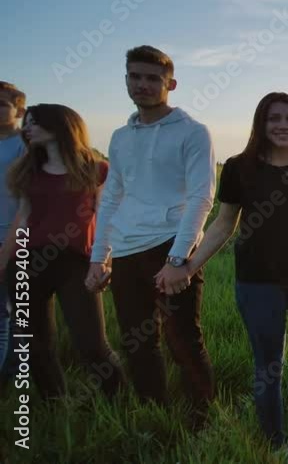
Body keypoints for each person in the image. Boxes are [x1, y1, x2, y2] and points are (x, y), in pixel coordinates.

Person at [165, 92, 288, 448]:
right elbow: (223, 224)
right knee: (269, 368)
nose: (283, 125)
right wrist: (188, 265)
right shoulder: (239, 167)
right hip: (256, 284)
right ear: (261, 123)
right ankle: (276, 445)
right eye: (274, 118)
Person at [84, 45, 216, 425]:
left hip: (169, 245)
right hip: (125, 250)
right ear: (126, 79)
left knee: (184, 342)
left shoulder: (193, 132)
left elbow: (201, 197)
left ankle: (200, 421)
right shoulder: (121, 136)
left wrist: (179, 259)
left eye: (152, 78)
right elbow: (111, 198)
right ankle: (153, 414)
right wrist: (99, 256)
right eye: (135, 76)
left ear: (170, 84)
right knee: (137, 342)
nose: (142, 85)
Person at [0, 104, 124, 399]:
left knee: (92, 344)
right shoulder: (27, 171)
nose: (26, 128)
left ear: (60, 126)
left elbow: (108, 220)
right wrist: (4, 261)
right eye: (26, 122)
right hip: (28, 263)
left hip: (77, 263)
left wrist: (104, 262)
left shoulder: (96, 169)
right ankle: (55, 404)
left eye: (33, 123)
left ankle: (118, 401)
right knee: (35, 344)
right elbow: (24, 219)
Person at [0, 81, 25, 385]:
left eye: (2, 104)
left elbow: (28, 201)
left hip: (17, 238)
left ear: (19, 110)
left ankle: (15, 375)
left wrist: (9, 246)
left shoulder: (26, 145)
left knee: (19, 312)